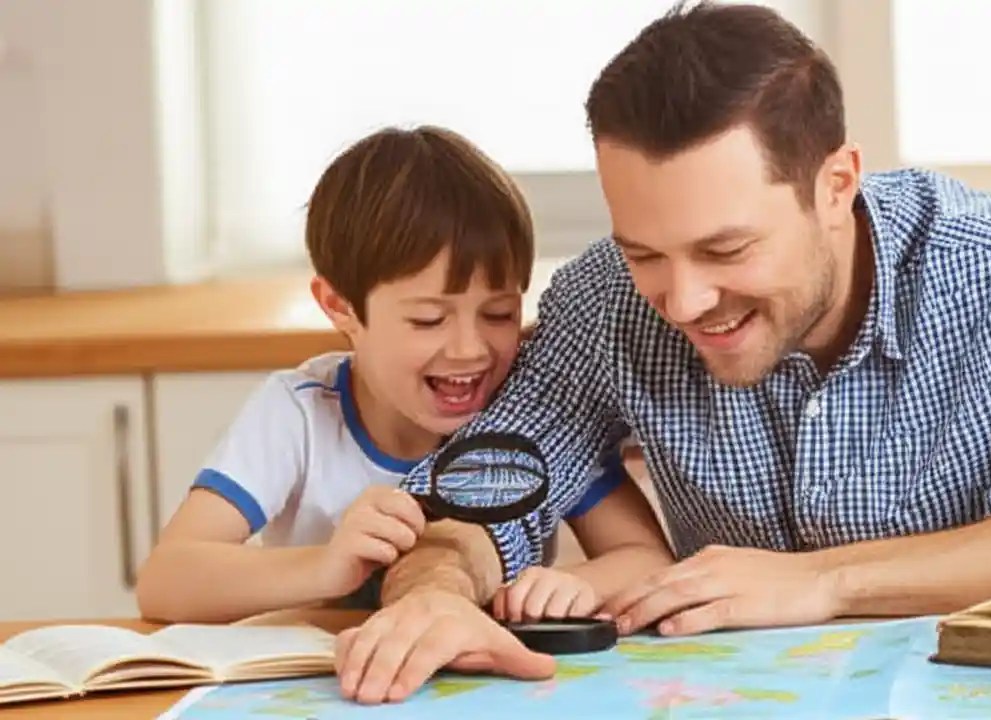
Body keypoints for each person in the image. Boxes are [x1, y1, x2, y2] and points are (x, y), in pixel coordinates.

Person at [331, 1, 991, 705]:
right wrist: (435, 593)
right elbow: (482, 492)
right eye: (645, 252)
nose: (683, 301)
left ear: (835, 185)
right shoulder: (602, 302)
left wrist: (823, 585)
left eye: (725, 251)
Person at [134, 125, 672, 625]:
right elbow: (167, 579)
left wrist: (581, 584)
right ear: (339, 306)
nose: (470, 349)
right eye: (428, 319)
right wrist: (325, 567)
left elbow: (645, 557)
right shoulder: (297, 414)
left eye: (500, 314)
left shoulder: (533, 415)